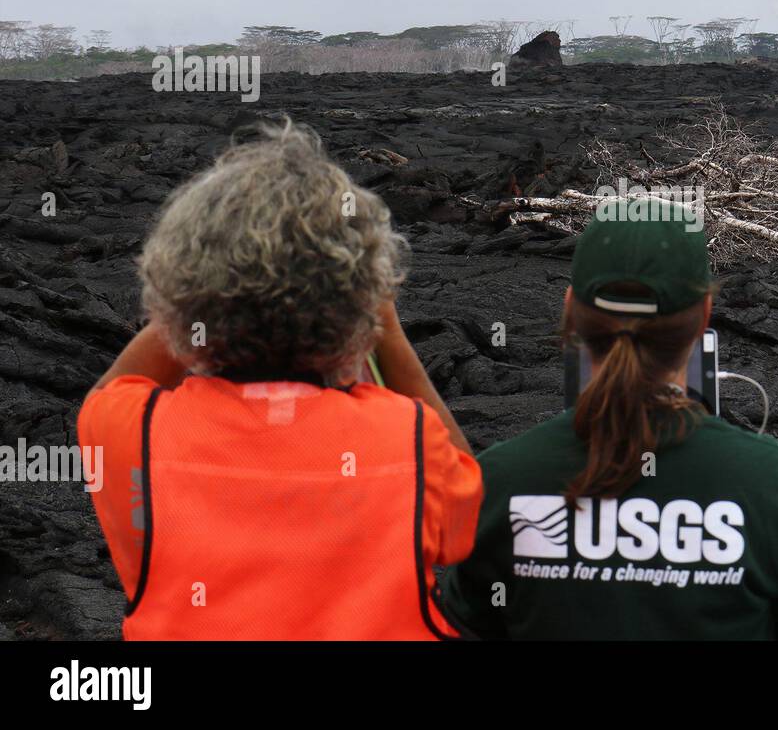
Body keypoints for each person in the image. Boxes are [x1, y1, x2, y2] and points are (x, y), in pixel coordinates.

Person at [77, 120, 481, 640]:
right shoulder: (410, 440)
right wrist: (384, 322)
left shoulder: (135, 433)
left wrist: (199, 288)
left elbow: (108, 393)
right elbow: (466, 518)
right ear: (359, 308)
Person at [438, 196, 778, 639]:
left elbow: (467, 622)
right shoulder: (774, 481)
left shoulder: (502, 477)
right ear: (705, 315)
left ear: (570, 309)